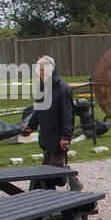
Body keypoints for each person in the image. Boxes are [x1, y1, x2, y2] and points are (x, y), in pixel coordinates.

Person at [22, 56, 82, 190]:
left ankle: (72, 182)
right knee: (48, 171)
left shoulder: (62, 89)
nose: (40, 73)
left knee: (52, 174)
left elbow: (68, 115)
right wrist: (31, 126)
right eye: (39, 70)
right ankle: (68, 183)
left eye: (43, 70)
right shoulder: (42, 88)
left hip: (58, 137)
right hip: (46, 136)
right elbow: (38, 110)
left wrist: (66, 136)